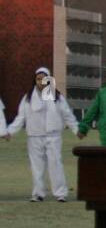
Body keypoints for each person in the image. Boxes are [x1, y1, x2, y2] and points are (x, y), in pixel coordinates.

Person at [4, 67, 78, 201]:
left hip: (53, 135)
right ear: (35, 80)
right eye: (38, 79)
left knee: (55, 164)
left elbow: (67, 115)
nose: (41, 82)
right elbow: (21, 118)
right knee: (37, 167)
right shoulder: (28, 98)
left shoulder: (57, 96)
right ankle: (38, 194)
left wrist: (77, 130)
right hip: (34, 136)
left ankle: (61, 193)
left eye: (44, 79)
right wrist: (9, 132)